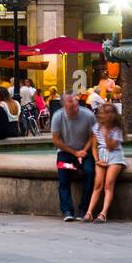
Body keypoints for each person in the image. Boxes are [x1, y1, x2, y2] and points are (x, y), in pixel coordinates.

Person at [51, 92, 97, 221]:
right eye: (70, 102)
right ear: (64, 105)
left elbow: (93, 136)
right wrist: (74, 153)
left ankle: (84, 209)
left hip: (85, 153)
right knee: (63, 176)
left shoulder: (88, 115)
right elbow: (56, 140)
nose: (74, 104)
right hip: (65, 154)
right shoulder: (57, 116)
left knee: (89, 172)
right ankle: (67, 211)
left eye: (75, 102)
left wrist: (83, 151)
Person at [84, 102, 126, 222]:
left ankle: (103, 213)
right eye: (106, 112)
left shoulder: (117, 129)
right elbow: (93, 146)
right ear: (101, 114)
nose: (109, 115)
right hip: (101, 156)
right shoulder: (96, 127)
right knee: (97, 185)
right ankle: (89, 212)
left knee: (108, 185)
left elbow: (111, 146)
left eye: (111, 112)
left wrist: (107, 131)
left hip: (115, 156)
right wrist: (97, 161)